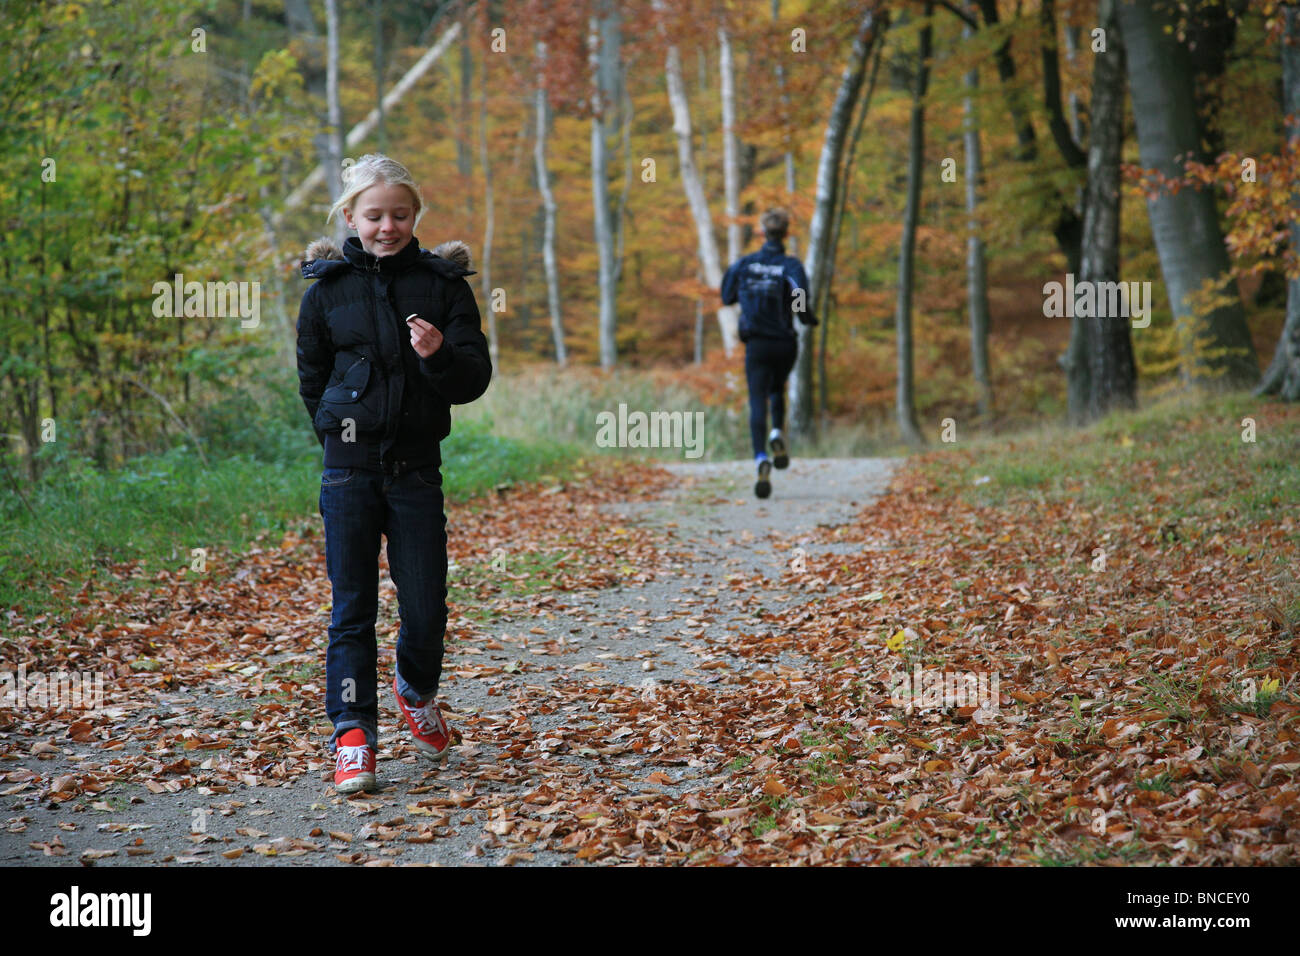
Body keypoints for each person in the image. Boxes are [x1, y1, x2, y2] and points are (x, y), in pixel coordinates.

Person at [296, 154, 492, 793]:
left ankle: (416, 688)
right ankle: (353, 734)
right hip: (348, 475)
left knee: (426, 605)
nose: (388, 227)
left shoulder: (443, 286)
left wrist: (438, 357)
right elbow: (312, 380)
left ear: (415, 216)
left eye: (400, 214)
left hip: (415, 472)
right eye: (374, 215)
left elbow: (474, 379)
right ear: (351, 217)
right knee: (351, 608)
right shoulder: (325, 292)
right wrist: (338, 431)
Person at [720, 207, 817, 499]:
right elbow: (799, 300)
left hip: (757, 344)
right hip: (785, 343)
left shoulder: (744, 265)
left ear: (762, 233)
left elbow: (726, 297)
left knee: (756, 397)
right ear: (786, 234)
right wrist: (806, 318)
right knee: (777, 388)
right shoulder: (791, 266)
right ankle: (778, 432)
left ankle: (761, 456)